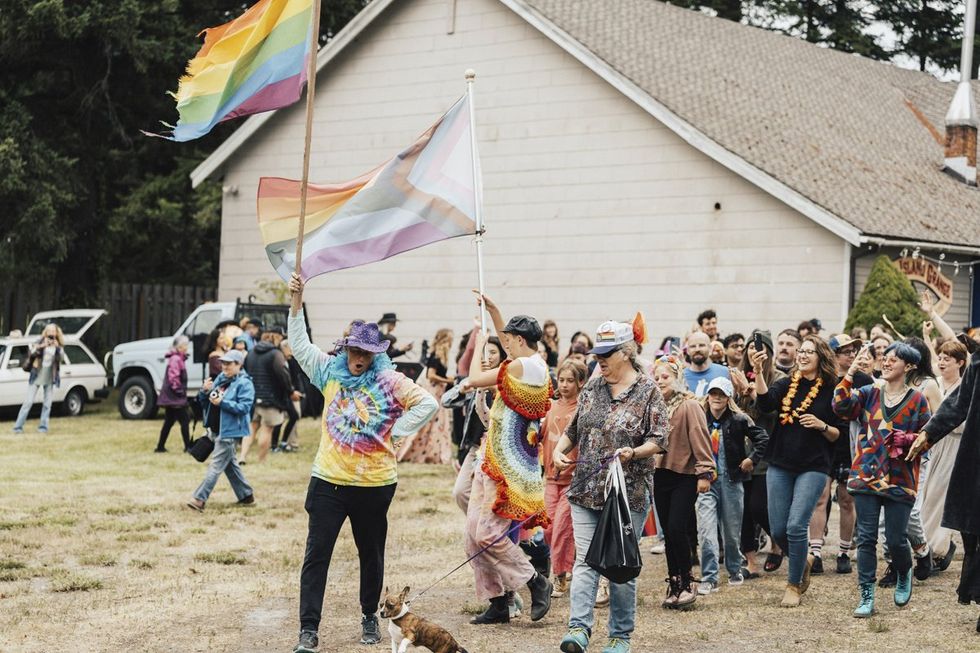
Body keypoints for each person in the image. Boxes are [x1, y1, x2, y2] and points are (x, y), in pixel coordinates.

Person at [286, 274, 438, 653]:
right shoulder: (327, 371)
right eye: (354, 351)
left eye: (365, 353)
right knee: (316, 554)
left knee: (370, 553)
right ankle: (308, 629)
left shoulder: (389, 380)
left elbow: (428, 403)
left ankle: (370, 614)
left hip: (375, 484)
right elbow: (299, 345)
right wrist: (296, 301)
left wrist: (396, 431)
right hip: (328, 481)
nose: (358, 359)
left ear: (375, 355)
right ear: (346, 348)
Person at [552, 320, 668, 653]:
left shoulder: (647, 391)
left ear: (626, 353)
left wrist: (634, 452)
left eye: (606, 354)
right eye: (597, 354)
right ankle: (578, 630)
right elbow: (575, 429)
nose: (600, 360)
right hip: (586, 490)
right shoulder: (592, 387)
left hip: (627, 494)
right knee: (585, 561)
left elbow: (659, 439)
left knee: (619, 566)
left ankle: (620, 637)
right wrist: (560, 451)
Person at [458, 291, 554, 627]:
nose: (504, 343)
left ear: (519, 340)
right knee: (473, 535)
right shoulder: (526, 362)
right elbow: (506, 345)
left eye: (508, 339)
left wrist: (475, 353)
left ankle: (535, 582)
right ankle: (497, 602)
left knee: (487, 535)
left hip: (509, 467)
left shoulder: (525, 366)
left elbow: (477, 378)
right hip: (492, 458)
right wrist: (495, 311)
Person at [833, 342, 931, 617]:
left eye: (893, 359)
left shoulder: (917, 399)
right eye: (884, 358)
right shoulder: (868, 393)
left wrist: (908, 439)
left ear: (909, 366)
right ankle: (866, 593)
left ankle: (904, 570)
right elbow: (839, 406)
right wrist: (850, 372)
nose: (886, 363)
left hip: (901, 478)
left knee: (897, 538)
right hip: (866, 475)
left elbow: (929, 436)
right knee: (865, 538)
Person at [750, 335, 842, 608]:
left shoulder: (832, 389)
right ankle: (805, 561)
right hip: (780, 462)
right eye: (800, 351)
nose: (802, 356)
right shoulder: (786, 383)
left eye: (808, 352)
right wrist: (757, 373)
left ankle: (793, 584)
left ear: (821, 357)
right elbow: (766, 404)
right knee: (778, 529)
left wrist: (821, 425)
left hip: (814, 465)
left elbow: (839, 434)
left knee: (795, 525)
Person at [907, 346, 980, 633]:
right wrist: (928, 433)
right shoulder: (978, 361)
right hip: (976, 461)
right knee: (974, 534)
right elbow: (959, 403)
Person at [652, 355, 714, 609]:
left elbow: (700, 437)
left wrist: (704, 472)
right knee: (668, 531)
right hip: (661, 474)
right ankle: (674, 582)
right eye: (656, 378)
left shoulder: (689, 406)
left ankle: (688, 582)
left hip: (685, 475)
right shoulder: (655, 408)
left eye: (665, 376)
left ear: (677, 378)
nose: (660, 381)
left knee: (678, 527)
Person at [696, 377, 768, 594]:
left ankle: (735, 567)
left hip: (731, 480)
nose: (717, 398)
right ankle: (709, 576)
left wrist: (751, 459)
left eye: (722, 394)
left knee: (731, 530)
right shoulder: (700, 420)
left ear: (729, 398)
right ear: (708, 396)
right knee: (706, 531)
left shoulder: (739, 419)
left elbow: (762, 438)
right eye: (713, 393)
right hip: (707, 481)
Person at [807, 334, 868, 575]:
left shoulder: (863, 380)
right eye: (845, 351)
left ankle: (844, 552)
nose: (851, 354)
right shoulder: (824, 379)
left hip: (850, 445)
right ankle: (816, 552)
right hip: (823, 442)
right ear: (832, 354)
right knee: (820, 498)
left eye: (853, 350)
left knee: (846, 499)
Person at [733, 330, 785, 575]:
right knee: (742, 510)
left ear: (770, 353)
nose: (755, 353)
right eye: (752, 349)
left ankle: (778, 544)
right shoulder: (736, 376)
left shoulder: (779, 379)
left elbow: (775, 413)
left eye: (761, 349)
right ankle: (751, 562)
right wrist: (738, 394)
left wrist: (754, 393)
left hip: (766, 452)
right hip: (738, 451)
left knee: (758, 506)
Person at [916, 339, 968, 572]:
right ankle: (929, 547)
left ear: (961, 363)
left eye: (948, 358)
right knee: (923, 495)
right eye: (941, 357)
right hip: (930, 445)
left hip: (954, 446)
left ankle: (936, 549)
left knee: (938, 498)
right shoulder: (933, 384)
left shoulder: (966, 388)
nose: (942, 361)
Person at [186, 349, 255, 512]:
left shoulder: (245, 383)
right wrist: (204, 390)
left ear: (239, 365)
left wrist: (223, 402)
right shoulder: (221, 379)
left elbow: (244, 408)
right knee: (230, 465)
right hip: (216, 429)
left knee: (215, 466)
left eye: (229, 363)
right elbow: (206, 402)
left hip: (231, 432)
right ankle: (246, 495)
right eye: (223, 362)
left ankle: (199, 499)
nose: (224, 366)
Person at [542, 358, 587, 599]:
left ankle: (559, 576)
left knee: (561, 528)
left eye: (571, 380)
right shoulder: (549, 408)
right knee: (548, 527)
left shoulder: (582, 408)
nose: (565, 385)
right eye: (562, 380)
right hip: (551, 477)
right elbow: (538, 436)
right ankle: (567, 561)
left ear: (581, 383)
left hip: (573, 480)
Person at [397, 328, 454, 464]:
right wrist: (448, 380)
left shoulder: (441, 356)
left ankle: (431, 452)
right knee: (426, 422)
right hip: (433, 392)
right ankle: (408, 451)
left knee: (435, 424)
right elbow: (431, 375)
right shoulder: (435, 356)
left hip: (439, 392)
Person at [240, 330, 292, 464]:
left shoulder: (250, 353)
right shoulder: (276, 354)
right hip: (271, 399)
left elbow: (245, 371)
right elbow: (283, 375)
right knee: (267, 429)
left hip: (252, 397)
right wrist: (290, 390)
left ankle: (242, 457)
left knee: (251, 428)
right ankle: (262, 460)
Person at [13, 323, 65, 434]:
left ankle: (43, 427)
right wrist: (42, 346)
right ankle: (18, 427)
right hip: (37, 374)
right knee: (28, 402)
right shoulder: (39, 342)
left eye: (53, 331)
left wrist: (58, 348)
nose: (51, 333)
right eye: (49, 330)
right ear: (46, 332)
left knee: (47, 404)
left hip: (50, 376)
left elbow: (61, 359)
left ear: (56, 333)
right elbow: (31, 354)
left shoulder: (58, 345)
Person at [155, 335, 192, 453]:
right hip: (175, 397)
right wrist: (180, 391)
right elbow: (173, 378)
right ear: (180, 347)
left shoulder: (178, 358)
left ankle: (160, 447)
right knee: (185, 420)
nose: (187, 348)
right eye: (185, 345)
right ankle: (188, 447)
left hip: (172, 396)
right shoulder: (176, 359)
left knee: (169, 421)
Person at [276, 339, 307, 452]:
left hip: (293, 393)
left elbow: (297, 377)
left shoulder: (292, 360)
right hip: (286, 394)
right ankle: (283, 442)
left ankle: (291, 442)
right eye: (290, 348)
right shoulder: (280, 361)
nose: (292, 351)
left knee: (295, 416)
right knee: (285, 418)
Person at [683, 331, 730, 397]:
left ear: (710, 349)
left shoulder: (725, 373)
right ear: (687, 350)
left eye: (702, 345)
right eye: (693, 346)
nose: (697, 349)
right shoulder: (681, 376)